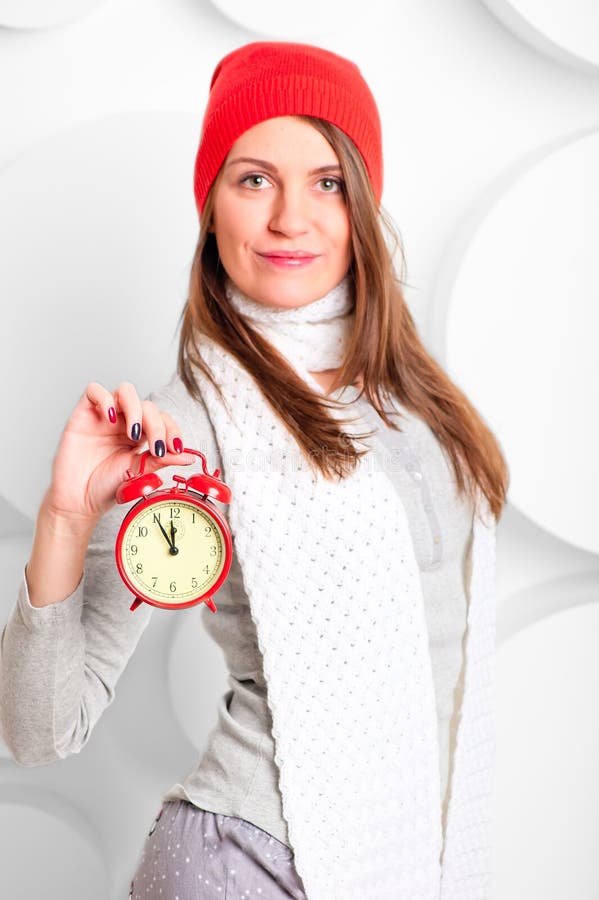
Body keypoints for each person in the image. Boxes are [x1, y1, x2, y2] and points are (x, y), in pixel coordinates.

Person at [0, 40, 509, 900]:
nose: (289, 220)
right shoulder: (183, 429)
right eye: (253, 179)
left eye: (326, 181)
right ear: (211, 205)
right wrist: (63, 518)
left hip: (415, 859)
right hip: (244, 866)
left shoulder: (411, 392)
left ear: (362, 201)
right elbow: (40, 729)